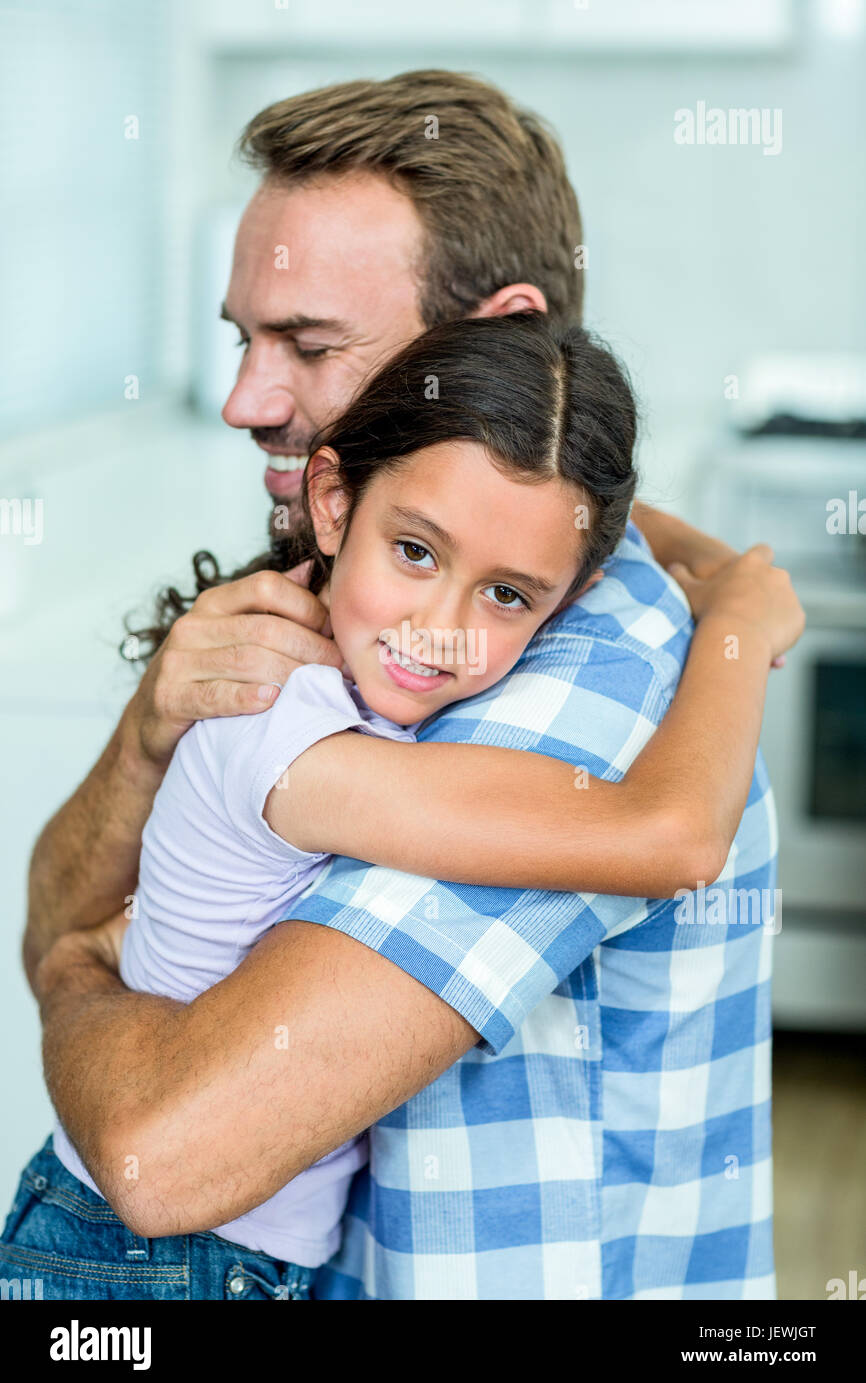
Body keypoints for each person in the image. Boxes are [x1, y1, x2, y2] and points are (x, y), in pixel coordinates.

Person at [11, 72, 803, 1300]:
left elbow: (157, 1154)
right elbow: (51, 908)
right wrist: (148, 733)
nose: (244, 400)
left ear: (494, 336)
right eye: (241, 337)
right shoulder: (357, 613)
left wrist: (75, 981)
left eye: (310, 345)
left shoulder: (567, 686)